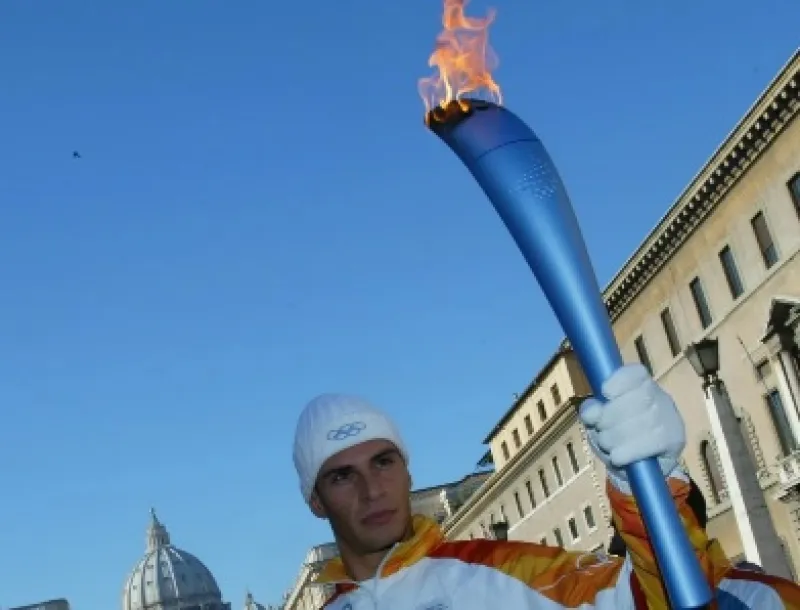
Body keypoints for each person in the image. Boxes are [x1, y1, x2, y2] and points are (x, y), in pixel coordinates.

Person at [292, 364, 800, 609]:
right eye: (342, 476)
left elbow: (650, 597)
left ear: (408, 472)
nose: (372, 489)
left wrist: (647, 485)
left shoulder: (505, 575)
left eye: (383, 462)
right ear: (316, 501)